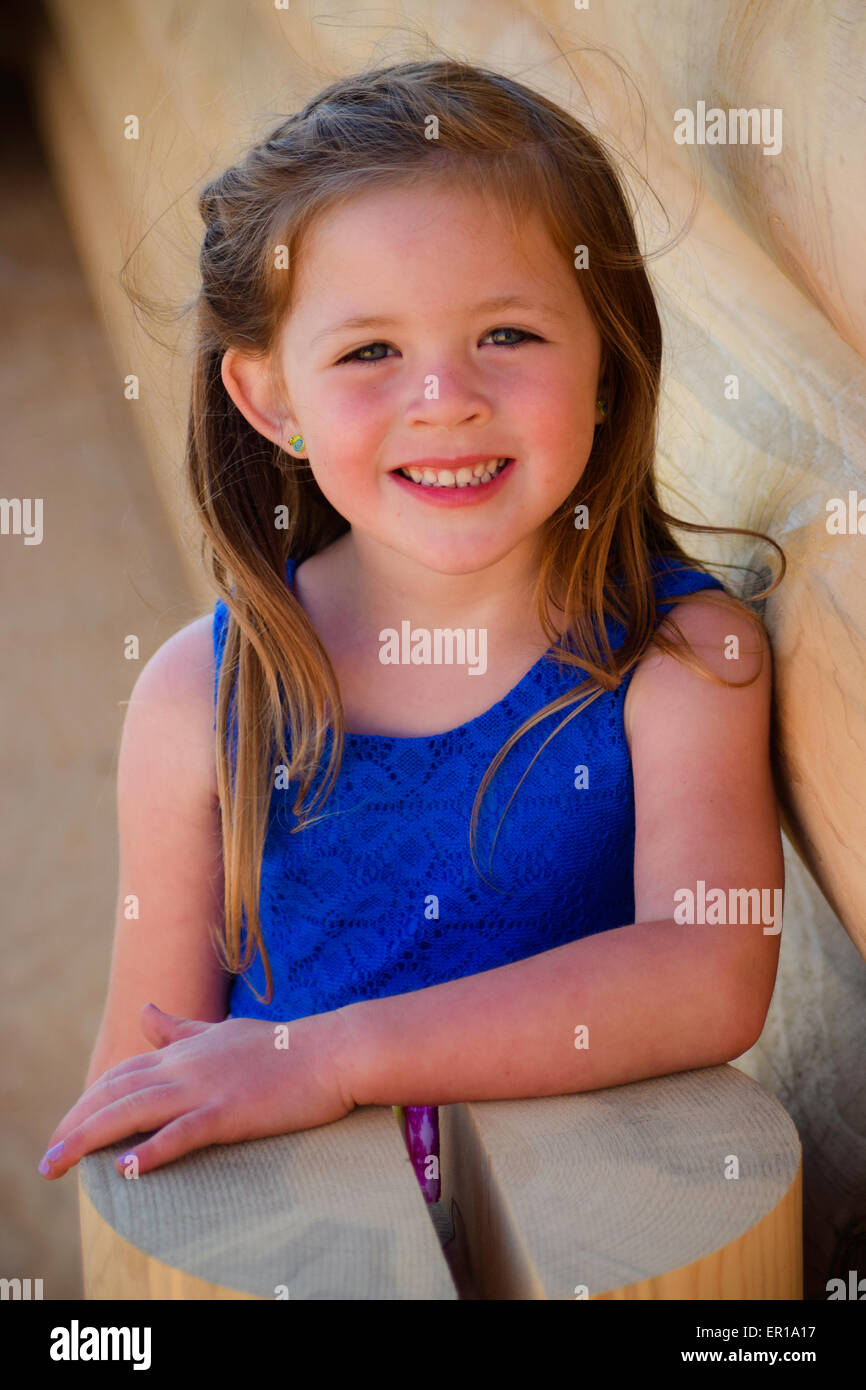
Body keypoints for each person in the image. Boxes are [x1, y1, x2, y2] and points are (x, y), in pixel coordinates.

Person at [38, 58, 785, 1186]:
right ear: (270, 399)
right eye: (369, 352)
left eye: (508, 335)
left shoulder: (676, 661)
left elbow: (706, 969)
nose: (444, 399)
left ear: (605, 361)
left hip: (572, 1249)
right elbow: (139, 1086)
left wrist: (329, 1057)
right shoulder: (204, 698)